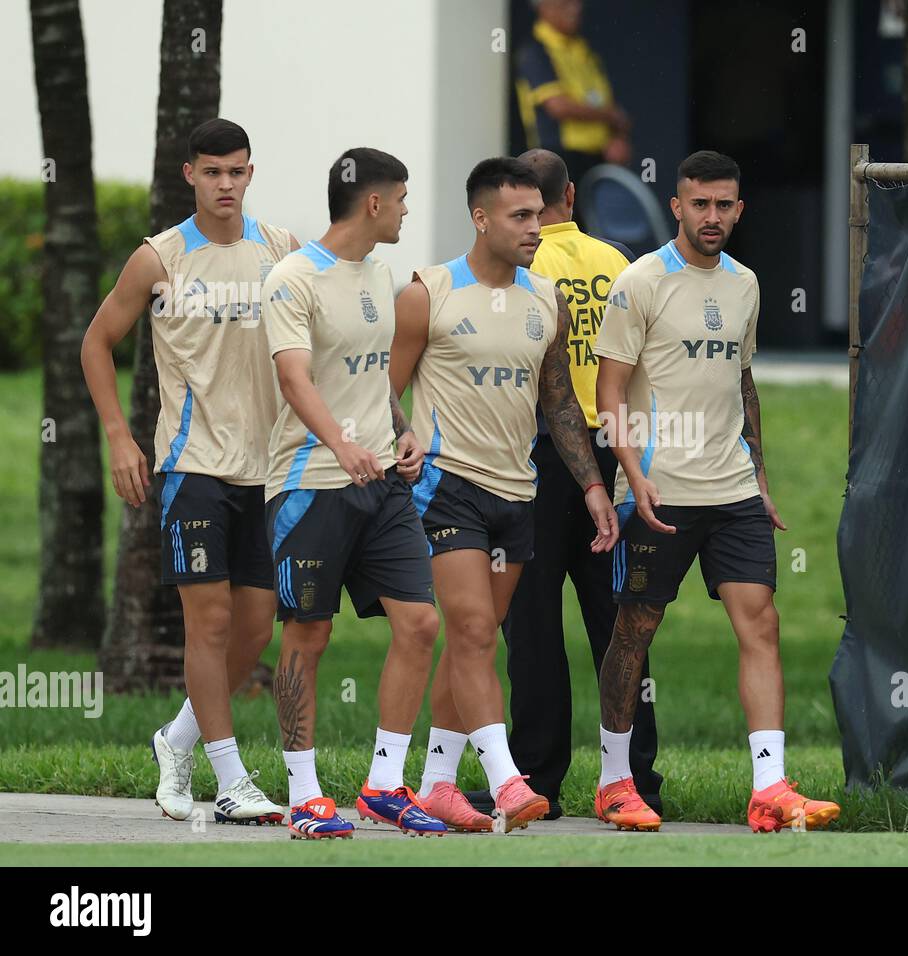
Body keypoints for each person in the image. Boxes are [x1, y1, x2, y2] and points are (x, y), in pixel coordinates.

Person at [591, 150, 841, 832]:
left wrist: (758, 478)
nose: (711, 216)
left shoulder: (746, 283)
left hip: (731, 490)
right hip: (656, 488)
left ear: (739, 208)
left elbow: (743, 380)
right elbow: (607, 389)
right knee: (635, 629)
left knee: (761, 623)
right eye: (699, 204)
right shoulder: (639, 283)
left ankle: (770, 788)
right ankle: (614, 780)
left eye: (723, 204)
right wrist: (632, 474)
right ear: (676, 206)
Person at [389, 157, 618, 832]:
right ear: (481, 218)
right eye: (519, 216)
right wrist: (400, 438)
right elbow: (382, 387)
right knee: (472, 629)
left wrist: (594, 487)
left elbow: (562, 407)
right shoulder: (427, 293)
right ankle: (506, 778)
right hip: (445, 487)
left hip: (517, 491)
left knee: (475, 639)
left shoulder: (547, 300)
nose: (535, 227)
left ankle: (434, 784)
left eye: (538, 212)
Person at [81, 118, 292, 826]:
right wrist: (119, 435)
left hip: (267, 470)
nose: (225, 184)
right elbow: (96, 342)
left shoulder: (281, 251)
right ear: (190, 176)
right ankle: (229, 780)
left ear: (250, 174)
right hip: (191, 465)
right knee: (209, 622)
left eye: (236, 172)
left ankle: (175, 739)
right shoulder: (160, 257)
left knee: (256, 629)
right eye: (212, 172)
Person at [461, 148, 660, 821]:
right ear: (571, 195)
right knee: (619, 623)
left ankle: (535, 775)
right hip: (608, 449)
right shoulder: (621, 267)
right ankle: (635, 778)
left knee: (532, 623)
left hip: (537, 452)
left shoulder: (518, 268)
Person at [261, 148, 445, 839]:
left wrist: (402, 429)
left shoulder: (380, 271)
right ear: (373, 203)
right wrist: (339, 443)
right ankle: (305, 794)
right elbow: (295, 380)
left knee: (420, 624)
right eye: (400, 198)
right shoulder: (293, 278)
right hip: (311, 484)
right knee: (309, 633)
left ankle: (385, 786)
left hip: (384, 488)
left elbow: (371, 378)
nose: (404, 210)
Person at [514, 0, 632, 187]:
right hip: (557, 161)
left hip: (597, 160)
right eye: (565, 3)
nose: (576, 8)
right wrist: (611, 116)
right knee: (562, 216)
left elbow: (603, 101)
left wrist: (616, 137)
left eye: (577, 2)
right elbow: (558, 107)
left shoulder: (584, 50)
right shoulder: (535, 51)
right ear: (544, 7)